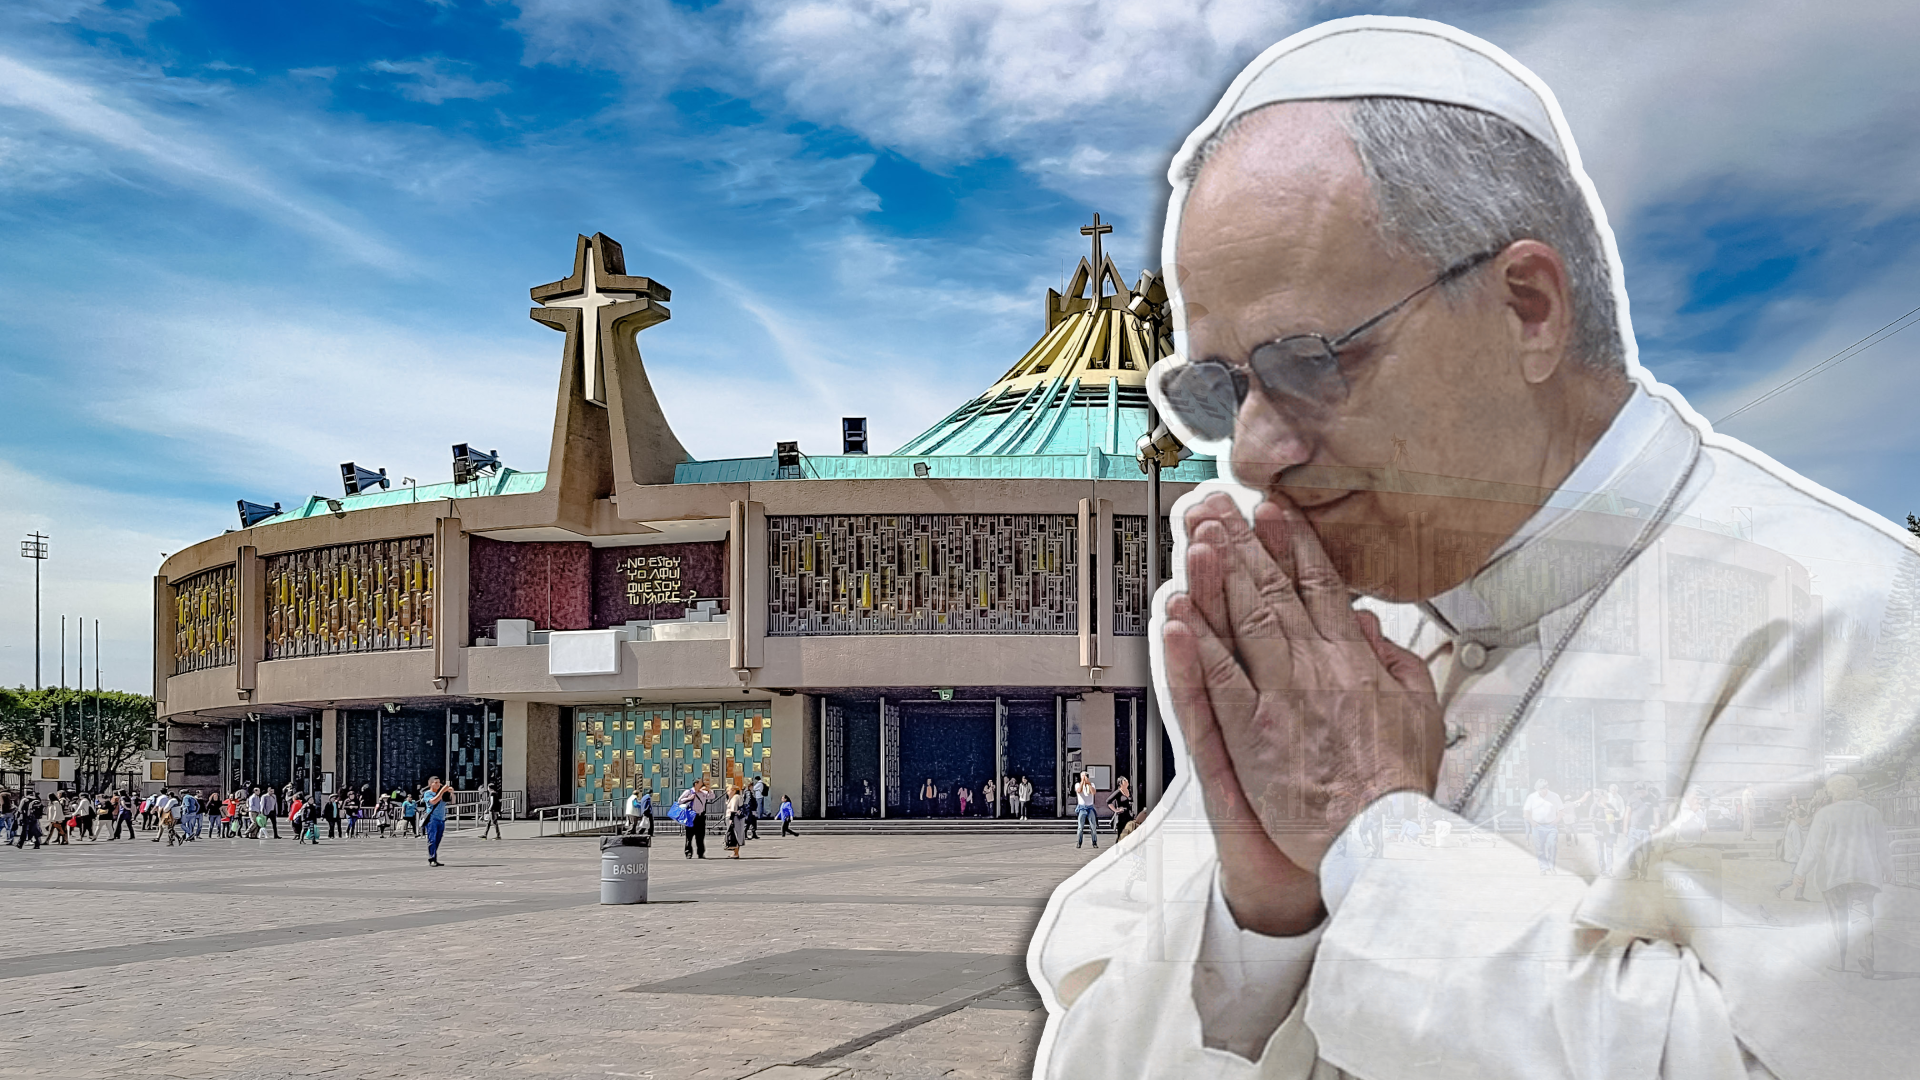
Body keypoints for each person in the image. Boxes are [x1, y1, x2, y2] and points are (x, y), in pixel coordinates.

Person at [1028, 18, 1920, 1076]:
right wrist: (1265, 917)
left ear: (1528, 308)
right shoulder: (1337, 652)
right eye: (1218, 392)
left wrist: (1374, 838)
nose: (1254, 456)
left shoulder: (1858, 635)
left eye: (1309, 361)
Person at [1790, 774, 1891, 975]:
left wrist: (1800, 872)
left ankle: (1839, 960)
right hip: (1865, 874)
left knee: (1836, 917)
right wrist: (1887, 868)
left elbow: (1813, 849)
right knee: (1864, 915)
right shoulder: (1872, 813)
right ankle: (1867, 955)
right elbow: (1882, 844)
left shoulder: (1825, 814)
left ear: (1832, 793)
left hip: (1834, 875)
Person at [420, 776, 452, 866]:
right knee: (432, 839)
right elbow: (433, 801)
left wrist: (451, 793)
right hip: (432, 819)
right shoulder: (427, 793)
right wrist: (442, 791)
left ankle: (434, 857)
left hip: (441, 819)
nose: (438, 784)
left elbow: (452, 801)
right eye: (436, 782)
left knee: (438, 839)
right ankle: (432, 858)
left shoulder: (442, 792)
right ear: (430, 784)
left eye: (439, 782)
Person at [678, 778, 712, 859]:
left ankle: (701, 853)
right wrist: (689, 798)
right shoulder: (688, 792)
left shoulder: (703, 792)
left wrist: (708, 789)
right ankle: (688, 852)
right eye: (700, 783)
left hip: (701, 816)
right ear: (696, 783)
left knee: (700, 836)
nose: (702, 784)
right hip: (691, 816)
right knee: (689, 836)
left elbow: (712, 796)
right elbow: (680, 800)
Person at [1073, 772, 1100, 849]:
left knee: (1093, 826)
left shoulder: (1092, 784)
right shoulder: (1077, 784)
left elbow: (1093, 792)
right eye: (1083, 775)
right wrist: (1082, 782)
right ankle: (1079, 842)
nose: (1085, 777)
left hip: (1090, 807)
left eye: (1086, 775)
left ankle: (1094, 842)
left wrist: (1088, 783)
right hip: (1082, 808)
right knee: (1080, 827)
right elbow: (1079, 791)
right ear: (1080, 777)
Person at [724, 784, 750, 858]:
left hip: (735, 818)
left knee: (734, 834)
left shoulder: (736, 797)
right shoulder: (733, 797)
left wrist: (731, 819)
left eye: (728, 790)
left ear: (733, 790)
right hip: (735, 817)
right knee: (734, 834)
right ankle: (735, 852)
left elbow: (733, 809)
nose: (727, 792)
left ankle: (735, 852)